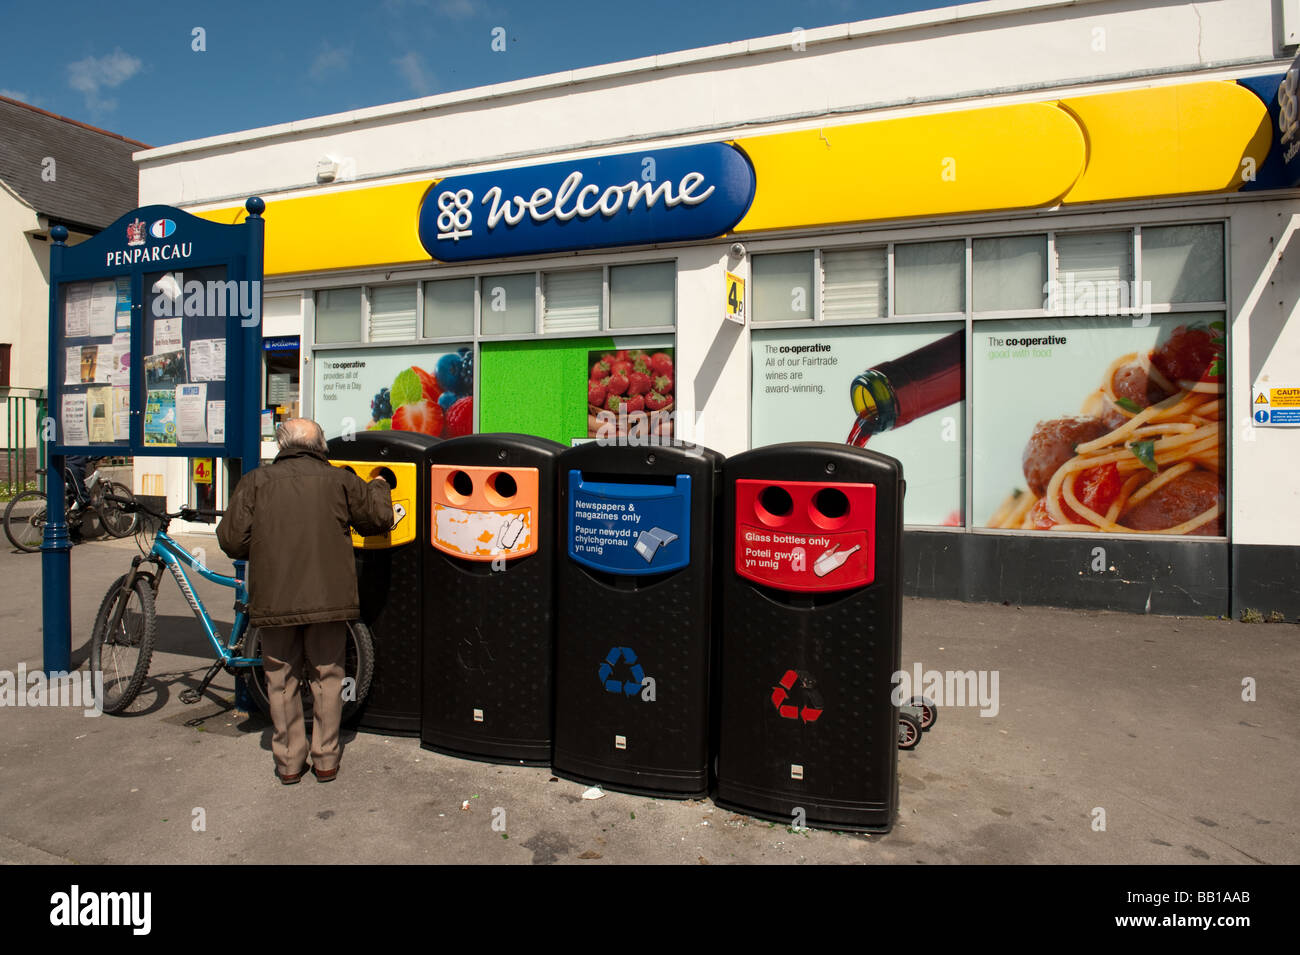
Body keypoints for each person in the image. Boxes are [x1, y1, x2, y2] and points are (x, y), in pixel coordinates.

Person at [217, 418, 393, 784]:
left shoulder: (255, 482)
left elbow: (232, 541)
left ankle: (289, 762)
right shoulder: (339, 480)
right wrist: (378, 485)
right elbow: (378, 519)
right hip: (328, 598)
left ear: (282, 445)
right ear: (321, 445)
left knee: (281, 679)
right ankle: (326, 759)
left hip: (274, 599)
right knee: (328, 677)